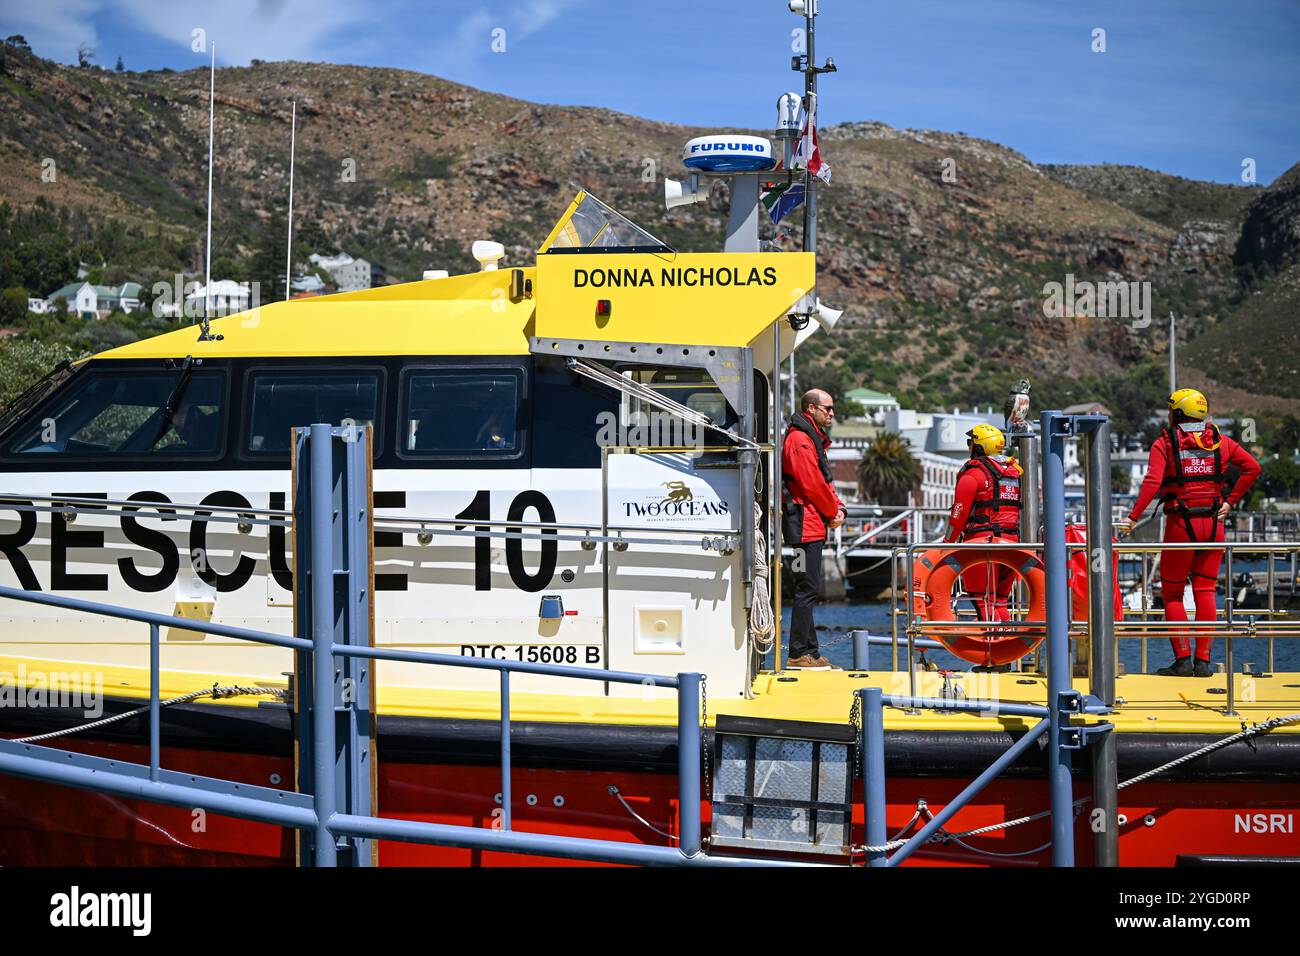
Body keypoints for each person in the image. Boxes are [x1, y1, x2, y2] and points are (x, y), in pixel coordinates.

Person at [1118, 389, 1260, 677]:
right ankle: (1204, 662)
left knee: (1172, 593)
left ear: (1177, 414)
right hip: (1213, 525)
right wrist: (1230, 502)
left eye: (1171, 411)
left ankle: (1182, 661)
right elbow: (1252, 468)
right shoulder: (1221, 442)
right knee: (1205, 591)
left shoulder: (1165, 444)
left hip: (1180, 526)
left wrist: (1133, 518)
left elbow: (1152, 482)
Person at [782, 388, 846, 669]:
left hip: (809, 525)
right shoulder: (801, 441)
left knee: (807, 588)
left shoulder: (809, 439)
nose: (831, 413)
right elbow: (812, 484)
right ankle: (798, 653)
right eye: (827, 408)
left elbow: (823, 483)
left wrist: (838, 507)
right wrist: (833, 512)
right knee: (806, 589)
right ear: (811, 409)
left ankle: (810, 651)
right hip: (804, 527)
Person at [945, 424, 1022, 627]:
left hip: (982, 544)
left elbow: (958, 513)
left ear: (979, 446)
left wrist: (947, 543)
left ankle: (992, 654)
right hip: (1012, 543)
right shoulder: (1013, 473)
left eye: (971, 442)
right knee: (1000, 602)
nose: (969, 445)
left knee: (983, 601)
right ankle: (1009, 652)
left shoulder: (974, 474)